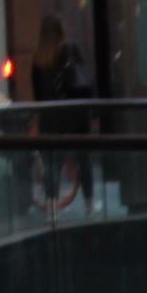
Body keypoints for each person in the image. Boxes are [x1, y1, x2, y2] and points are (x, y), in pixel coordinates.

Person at [28, 15, 89, 208]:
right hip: (72, 116)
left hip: (49, 118)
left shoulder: (38, 60)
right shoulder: (69, 52)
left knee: (52, 164)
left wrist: (36, 121)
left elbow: (37, 96)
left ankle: (51, 206)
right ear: (61, 31)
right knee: (83, 158)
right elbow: (82, 81)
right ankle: (89, 203)